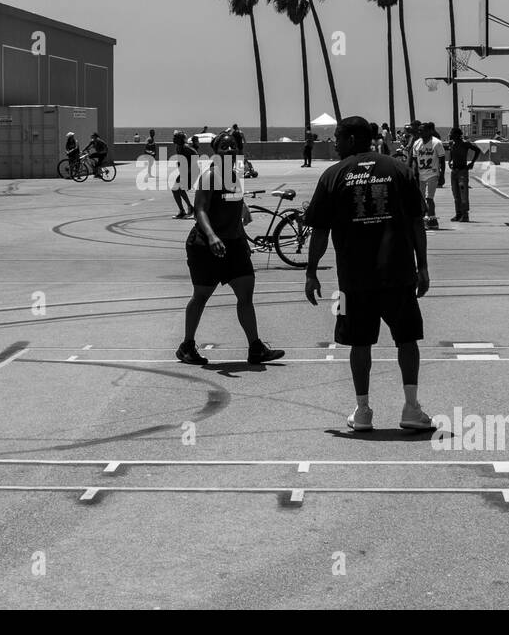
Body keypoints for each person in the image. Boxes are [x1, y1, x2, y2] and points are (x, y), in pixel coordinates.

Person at [303, 116, 433, 432]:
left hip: (352, 279)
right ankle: (411, 408)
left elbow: (319, 231)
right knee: (407, 339)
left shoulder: (333, 176)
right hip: (398, 273)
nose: (334, 143)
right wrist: (423, 266)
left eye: (337, 137)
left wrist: (311, 272)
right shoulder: (398, 169)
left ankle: (363, 411)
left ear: (350, 139)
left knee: (358, 343)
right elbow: (417, 221)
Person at [177, 131, 283, 366]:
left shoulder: (234, 176)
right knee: (201, 296)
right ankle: (186, 346)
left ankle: (256, 348)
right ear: (216, 152)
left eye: (232, 145)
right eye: (223, 146)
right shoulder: (210, 176)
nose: (229, 149)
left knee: (245, 294)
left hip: (234, 244)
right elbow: (200, 210)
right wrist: (213, 236)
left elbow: (232, 205)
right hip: (206, 244)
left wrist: (243, 211)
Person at [411, 122, 445, 229]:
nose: (420, 132)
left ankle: (430, 220)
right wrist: (414, 173)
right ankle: (430, 221)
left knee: (429, 198)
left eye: (422, 130)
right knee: (421, 199)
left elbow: (442, 160)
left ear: (429, 131)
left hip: (432, 174)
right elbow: (414, 160)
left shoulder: (437, 143)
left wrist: (442, 175)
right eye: (419, 130)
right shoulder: (417, 143)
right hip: (421, 175)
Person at [447, 127, 481, 222]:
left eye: (452, 134)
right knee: (455, 193)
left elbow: (477, 150)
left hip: (462, 171)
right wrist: (449, 161)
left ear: (457, 135)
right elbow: (451, 153)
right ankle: (458, 214)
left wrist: (472, 163)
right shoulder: (452, 144)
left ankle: (465, 214)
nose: (451, 136)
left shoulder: (465, 143)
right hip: (454, 171)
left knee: (463, 194)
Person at [170, 130, 196, 218]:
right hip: (185, 172)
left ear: (180, 139)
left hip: (191, 171)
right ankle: (184, 210)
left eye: (175, 137)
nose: (173, 139)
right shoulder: (178, 147)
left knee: (178, 189)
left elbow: (195, 154)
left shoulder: (185, 147)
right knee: (175, 189)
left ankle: (189, 208)